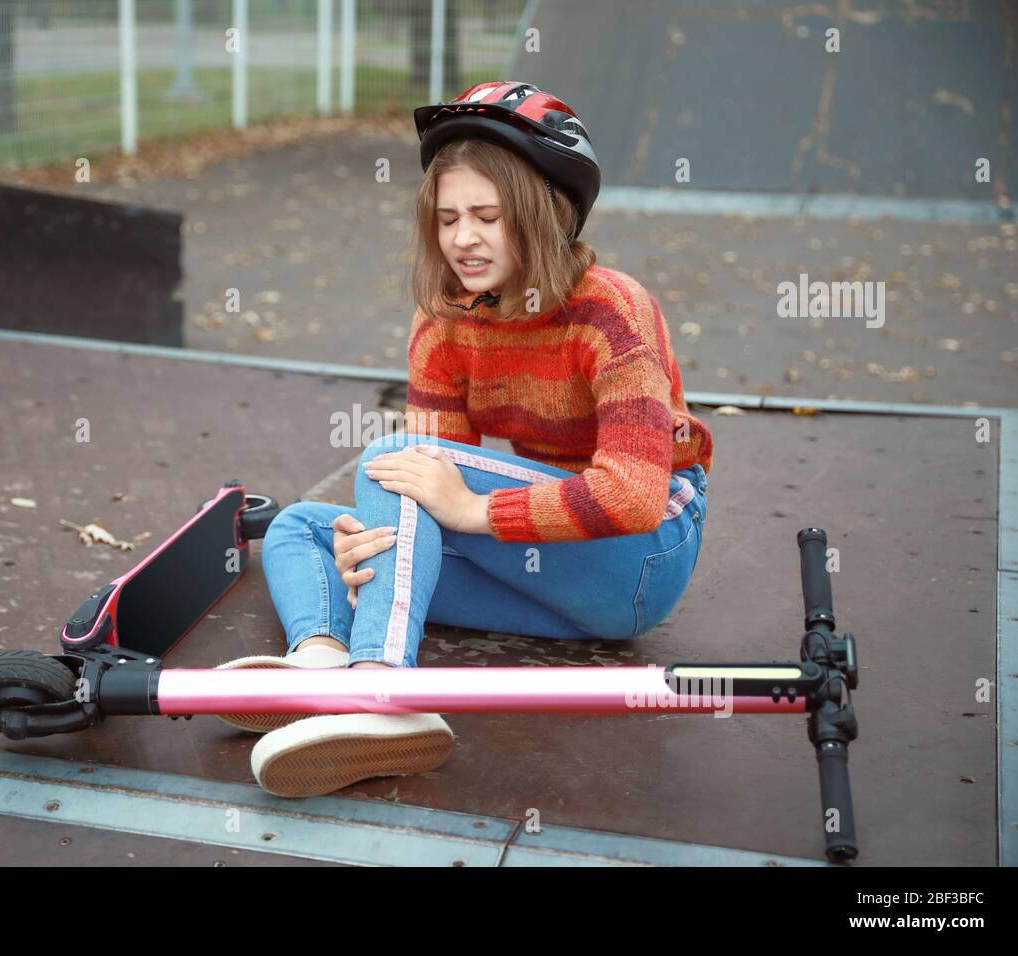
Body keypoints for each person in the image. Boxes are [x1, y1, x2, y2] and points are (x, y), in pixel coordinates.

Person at [215, 81, 714, 799]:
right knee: (303, 528)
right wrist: (380, 548)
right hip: (554, 585)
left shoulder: (612, 311)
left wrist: (475, 513)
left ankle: (382, 690)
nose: (462, 238)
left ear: (544, 215)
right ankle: (322, 657)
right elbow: (421, 496)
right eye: (447, 218)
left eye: (487, 215)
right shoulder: (443, 320)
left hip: (639, 559)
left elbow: (634, 499)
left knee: (393, 460)